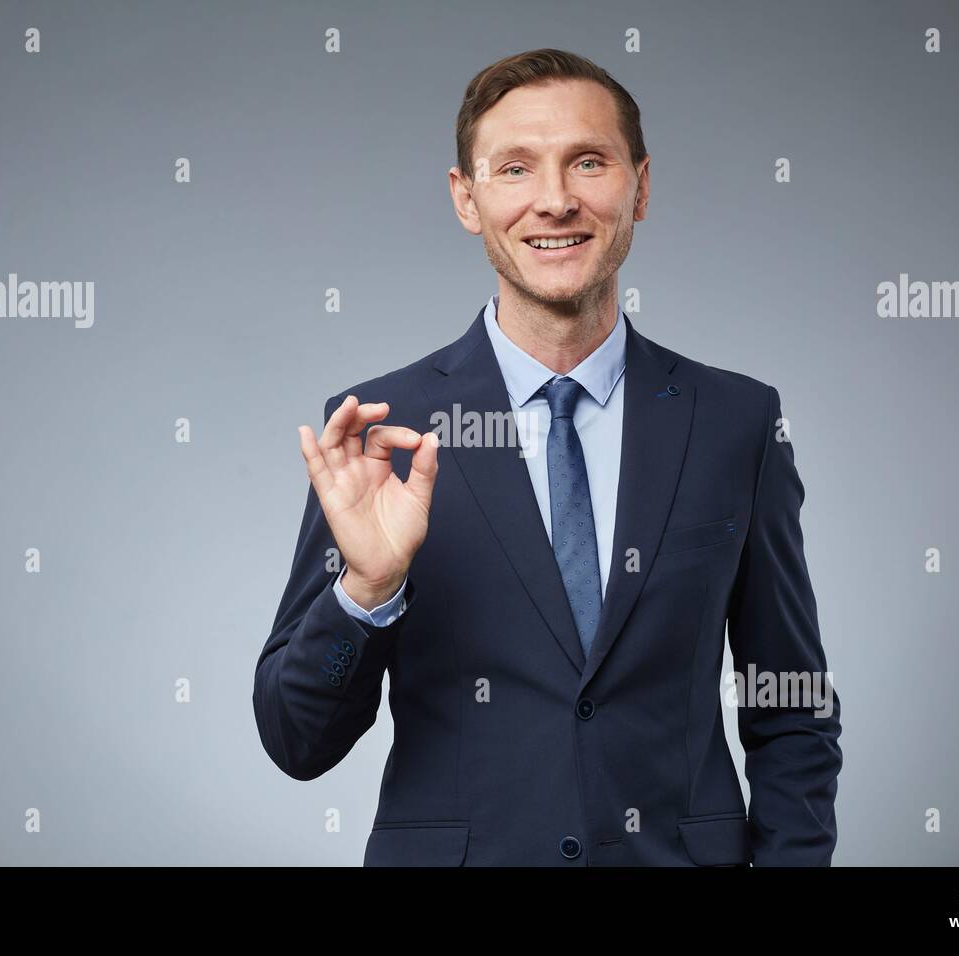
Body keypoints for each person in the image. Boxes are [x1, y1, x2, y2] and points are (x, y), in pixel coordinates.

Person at [253, 48, 842, 866]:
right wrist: (367, 591)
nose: (555, 200)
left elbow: (793, 706)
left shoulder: (736, 421)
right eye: (515, 168)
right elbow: (295, 739)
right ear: (468, 198)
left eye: (588, 162)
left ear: (640, 186)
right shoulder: (383, 428)